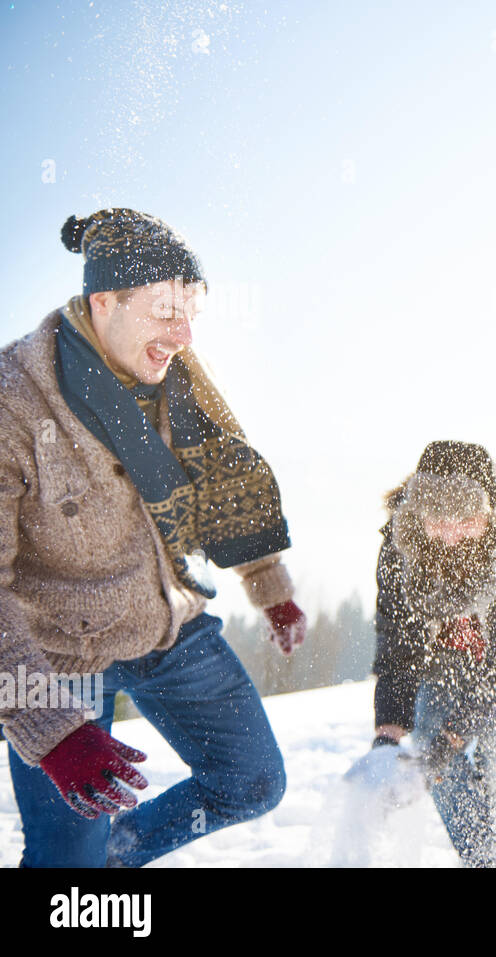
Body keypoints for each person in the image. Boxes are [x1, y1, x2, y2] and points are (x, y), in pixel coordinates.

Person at [0, 208, 306, 867]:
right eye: (166, 308)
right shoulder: (12, 401)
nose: (184, 330)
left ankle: (116, 859)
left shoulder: (176, 377)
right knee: (64, 858)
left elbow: (228, 476)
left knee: (252, 780)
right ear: (103, 301)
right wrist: (51, 730)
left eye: (191, 306)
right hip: (59, 650)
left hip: (162, 620)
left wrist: (269, 585)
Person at [366, 440, 496, 867]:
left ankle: (488, 853)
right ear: (418, 511)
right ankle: (486, 857)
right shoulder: (400, 547)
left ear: (489, 513)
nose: (449, 532)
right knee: (428, 746)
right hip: (444, 658)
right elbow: (398, 645)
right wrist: (387, 733)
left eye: (464, 518)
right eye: (436, 518)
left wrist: (455, 735)